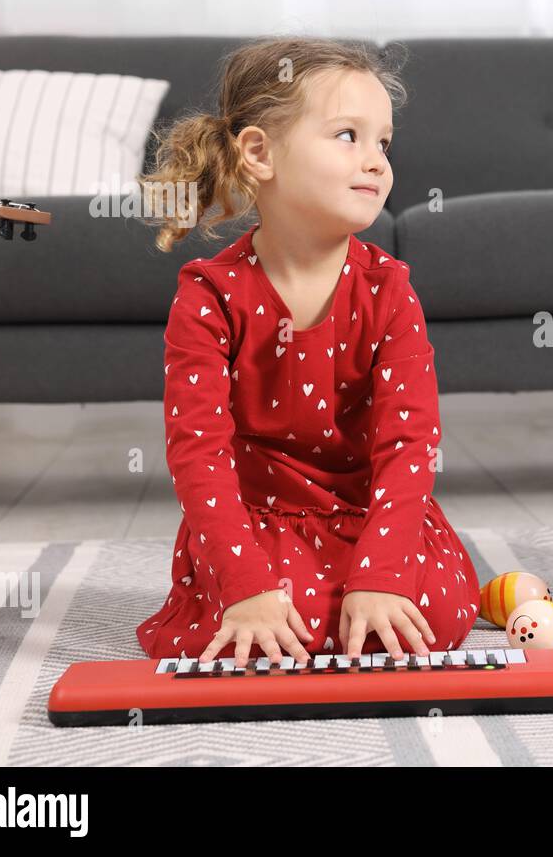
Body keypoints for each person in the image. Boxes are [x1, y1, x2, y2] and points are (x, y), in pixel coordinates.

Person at [135, 37, 478, 667]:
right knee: (255, 625)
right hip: (257, 525)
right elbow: (198, 454)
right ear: (260, 153)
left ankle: (364, 589)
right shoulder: (209, 296)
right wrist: (245, 586)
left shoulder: (390, 291)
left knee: (432, 609)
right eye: (348, 135)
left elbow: (410, 447)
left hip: (368, 518)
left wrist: (380, 574)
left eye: (385, 143)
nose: (377, 161)